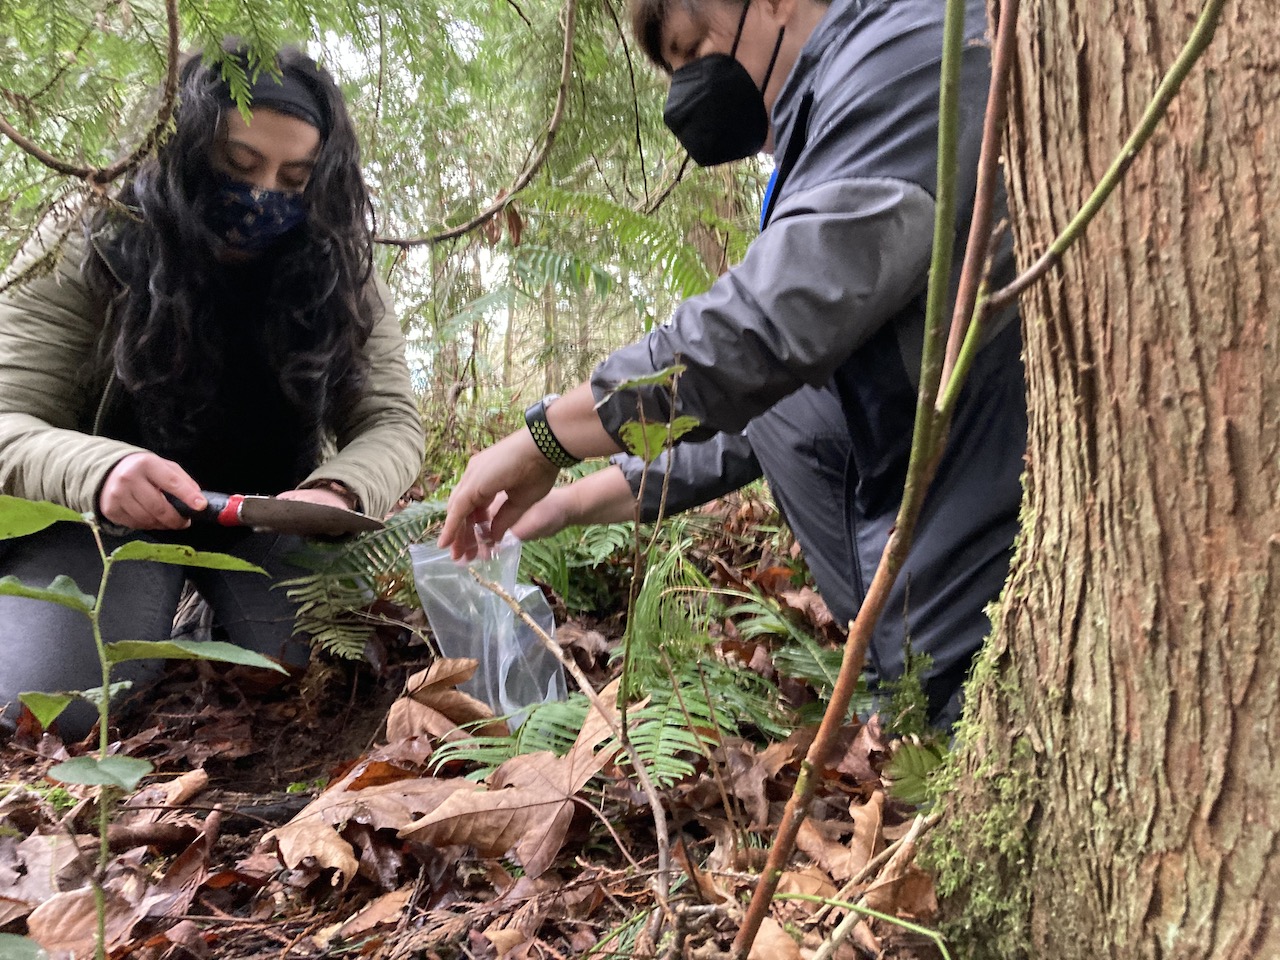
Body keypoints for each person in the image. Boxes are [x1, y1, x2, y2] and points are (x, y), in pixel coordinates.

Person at [440, 0, 1027, 730]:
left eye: (693, 48)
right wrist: (561, 505)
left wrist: (547, 435)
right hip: (938, 590)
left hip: (993, 587)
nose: (689, 89)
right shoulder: (825, 130)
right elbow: (768, 413)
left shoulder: (906, 52)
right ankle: (910, 687)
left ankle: (939, 698)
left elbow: (762, 330)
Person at [0, 42, 425, 739]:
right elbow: (6, 417)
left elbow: (390, 420)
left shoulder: (338, 265)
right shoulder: (91, 238)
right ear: (189, 147)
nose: (265, 195)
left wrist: (341, 491)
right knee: (52, 704)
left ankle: (204, 615)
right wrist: (101, 470)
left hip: (265, 516)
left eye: (296, 176)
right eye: (240, 163)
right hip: (100, 523)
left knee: (310, 673)